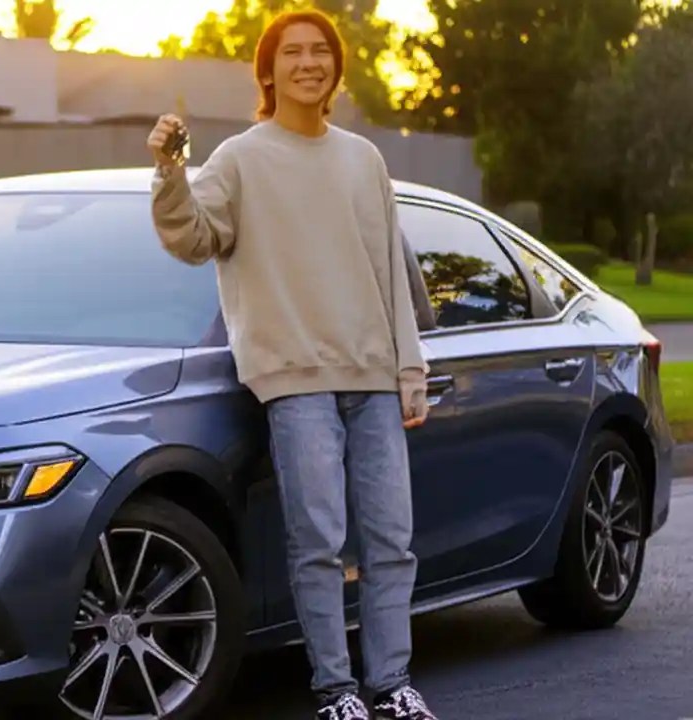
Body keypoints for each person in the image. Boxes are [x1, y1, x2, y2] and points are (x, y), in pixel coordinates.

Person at [147, 9, 438, 720]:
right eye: (293, 53)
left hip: (373, 381)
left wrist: (409, 370)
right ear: (269, 72)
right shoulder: (241, 159)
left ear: (335, 69)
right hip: (295, 386)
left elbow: (391, 276)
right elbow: (193, 238)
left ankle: (392, 685)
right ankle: (337, 692)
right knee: (318, 546)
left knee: (392, 543)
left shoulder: (364, 160)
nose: (309, 63)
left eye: (320, 52)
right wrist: (170, 172)